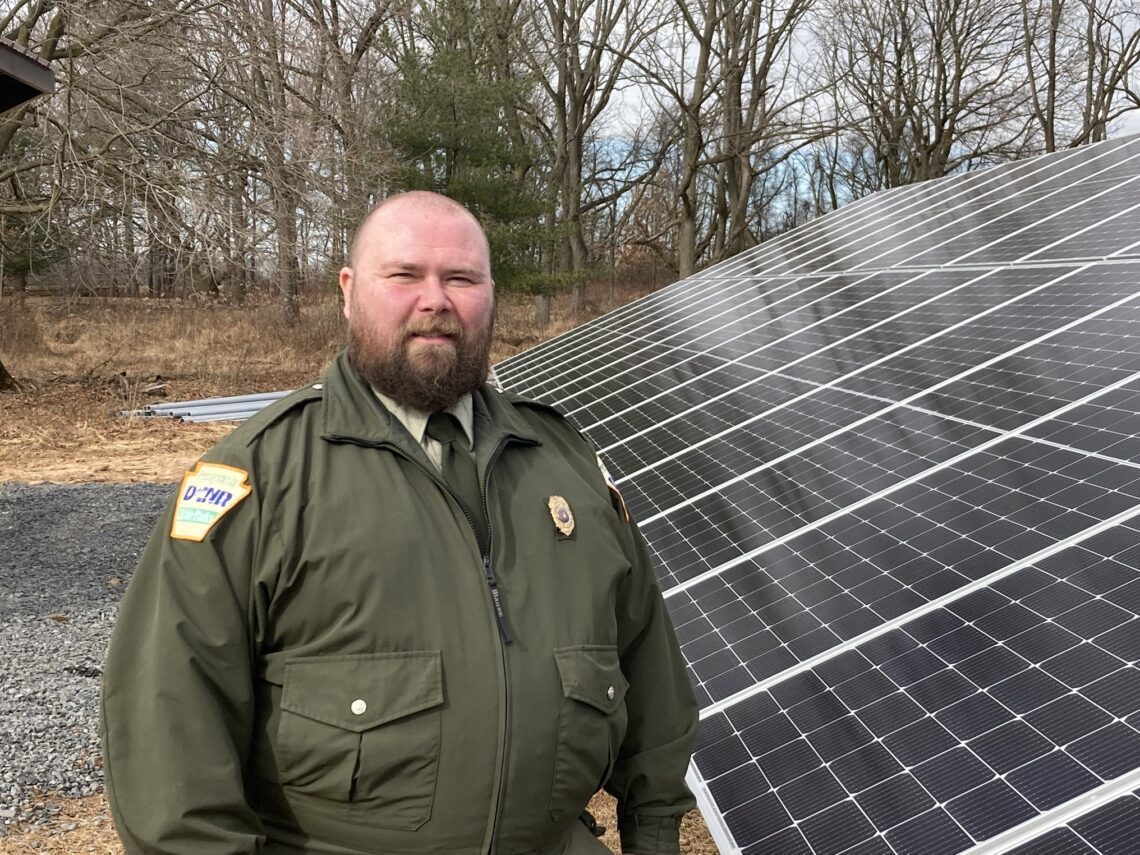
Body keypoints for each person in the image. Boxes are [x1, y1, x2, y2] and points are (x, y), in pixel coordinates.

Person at [100, 191, 698, 855]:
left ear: (491, 295)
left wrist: (655, 833)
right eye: (405, 275)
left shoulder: (564, 463)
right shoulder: (260, 477)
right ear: (350, 291)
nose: (436, 300)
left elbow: (651, 675)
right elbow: (168, 734)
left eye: (461, 278)